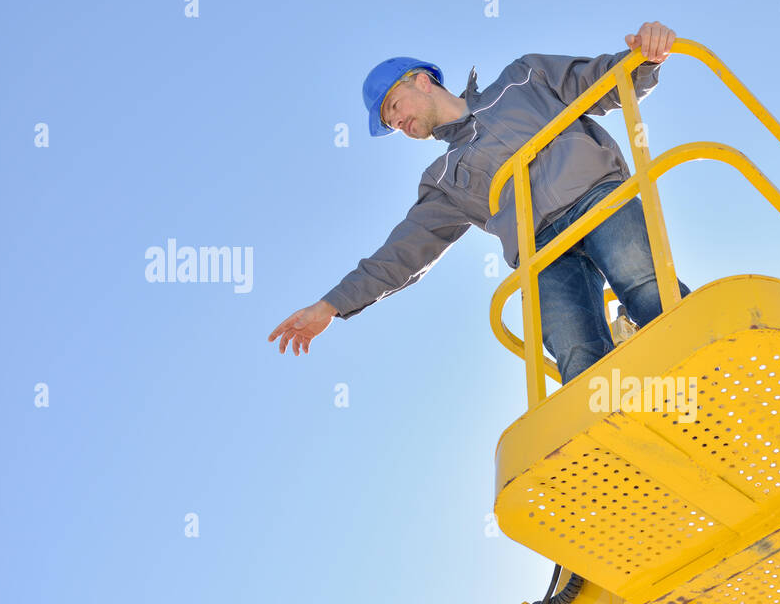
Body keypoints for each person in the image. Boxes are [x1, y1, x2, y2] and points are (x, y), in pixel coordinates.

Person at [268, 21, 691, 385]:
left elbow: (604, 81)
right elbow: (400, 255)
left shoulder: (522, 79)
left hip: (597, 199)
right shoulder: (443, 179)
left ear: (421, 80)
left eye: (394, 108)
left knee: (648, 289)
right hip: (541, 252)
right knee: (576, 355)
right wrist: (332, 304)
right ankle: (616, 440)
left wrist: (647, 56)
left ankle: (708, 367)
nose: (398, 123)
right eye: (391, 125)